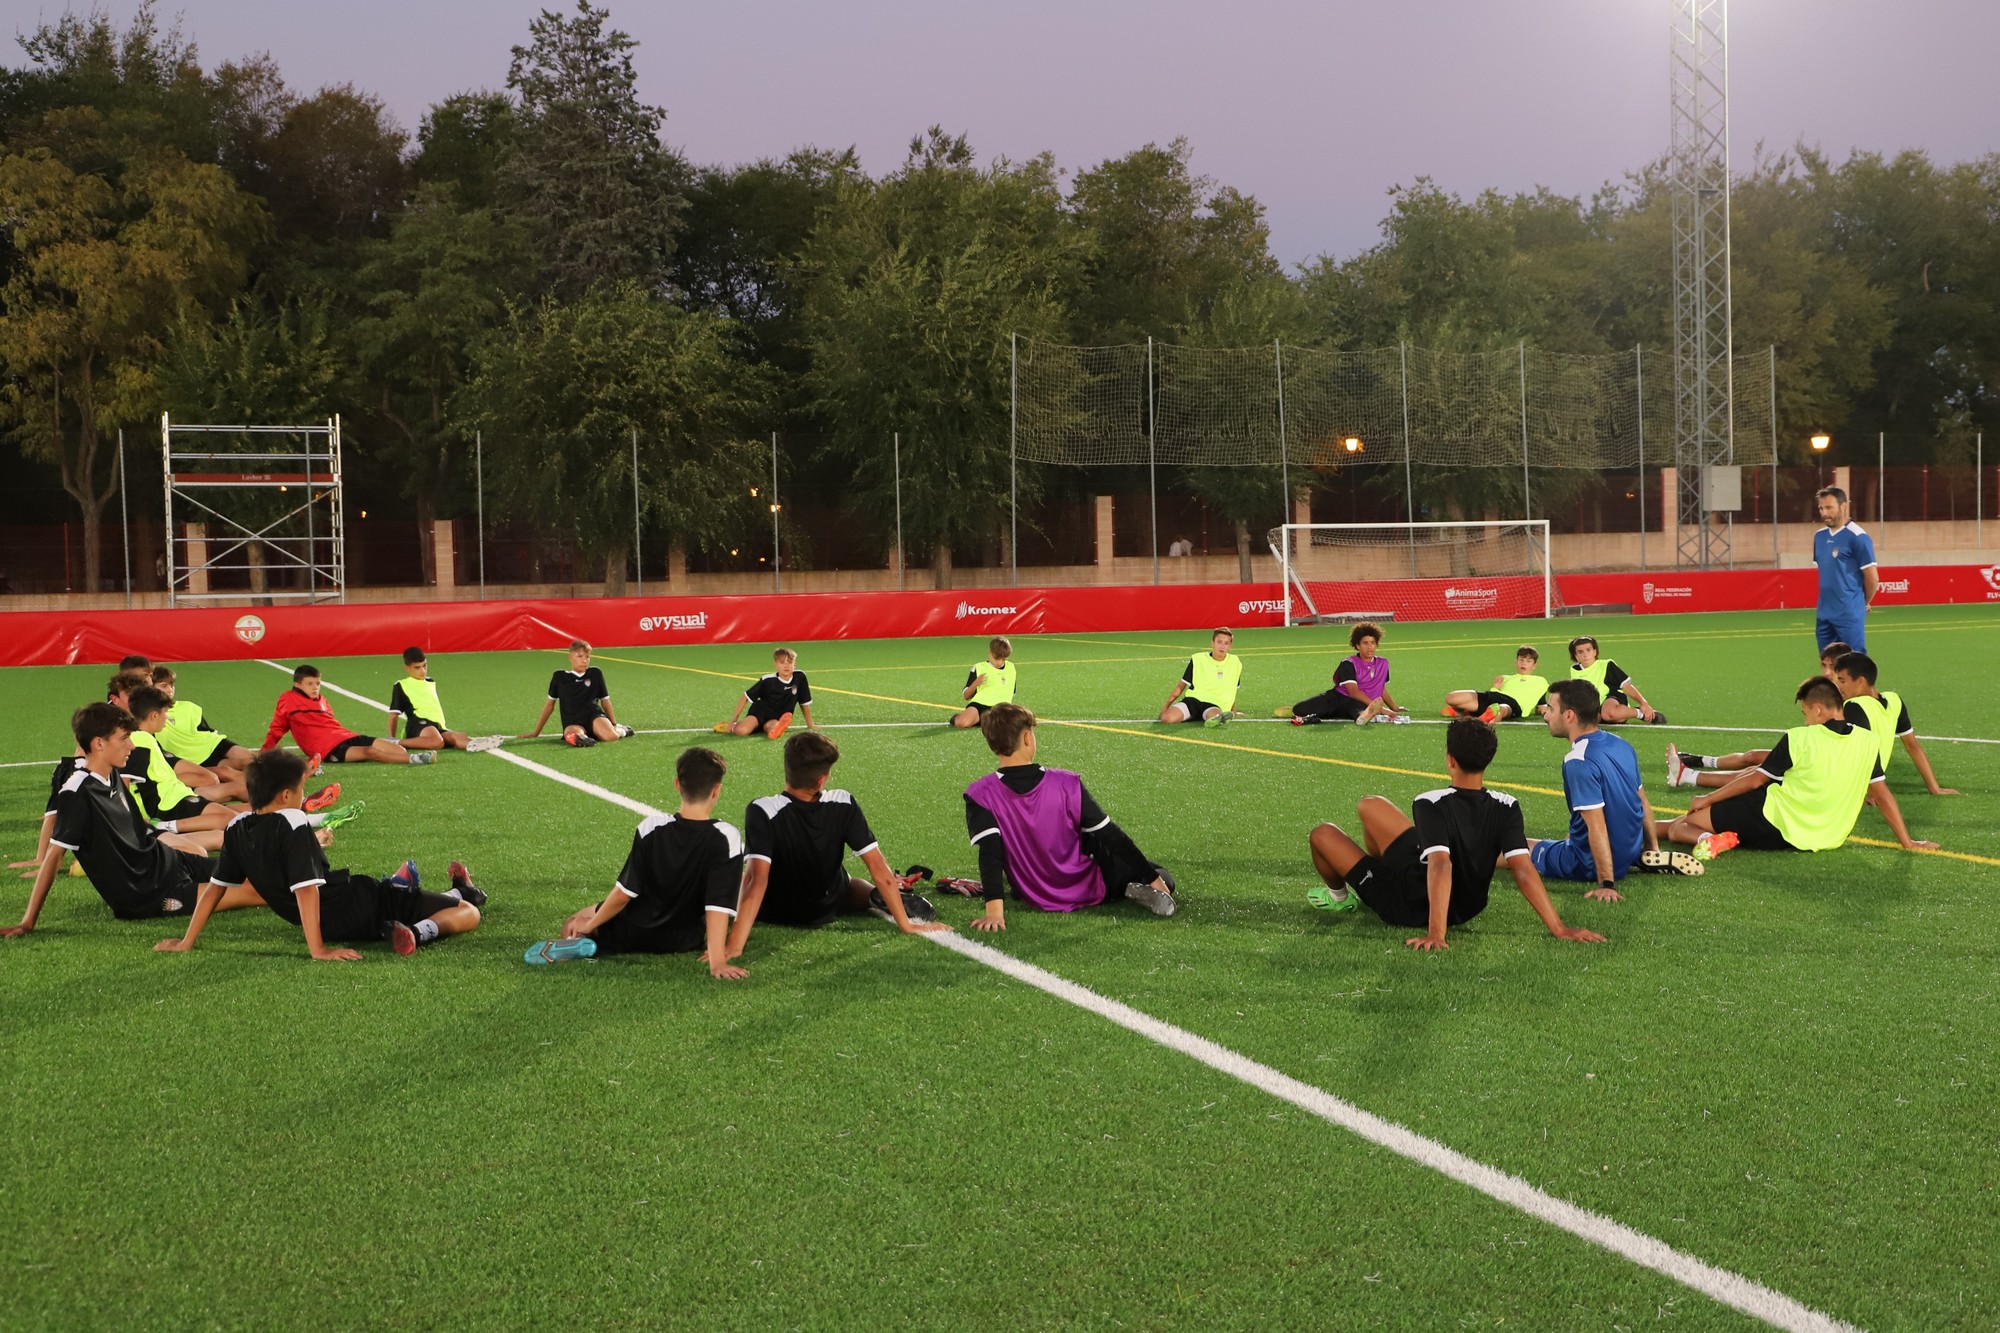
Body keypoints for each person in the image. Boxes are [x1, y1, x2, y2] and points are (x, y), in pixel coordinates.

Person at [1304, 718, 1607, 951]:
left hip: (1408, 903)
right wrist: (1559, 928)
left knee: (1322, 834)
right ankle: (1378, 872)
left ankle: (1340, 898)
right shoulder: (1507, 805)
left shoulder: (1429, 801)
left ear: (1450, 760)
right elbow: (1523, 869)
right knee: (1371, 805)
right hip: (1465, 904)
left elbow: (1440, 864)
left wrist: (1436, 933)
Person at [156, 749, 484, 961]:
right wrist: (318, 951)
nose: (303, 798)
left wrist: (187, 941)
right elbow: (307, 889)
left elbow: (215, 889)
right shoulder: (293, 820)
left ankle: (453, 890)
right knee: (468, 914)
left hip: (330, 921)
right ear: (286, 794)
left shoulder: (236, 827)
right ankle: (418, 931)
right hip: (359, 904)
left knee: (428, 898)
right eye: (301, 790)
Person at [3, 704, 264, 938]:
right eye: (124, 738)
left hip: (170, 862)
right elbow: (55, 855)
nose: (131, 746)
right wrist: (27, 922)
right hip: (150, 894)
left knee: (256, 868)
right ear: (99, 744)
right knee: (255, 891)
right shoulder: (77, 792)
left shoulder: (113, 775)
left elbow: (138, 829)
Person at [721, 732, 949, 959]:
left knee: (737, 876)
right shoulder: (843, 802)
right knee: (847, 880)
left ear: (788, 768)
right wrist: (906, 925)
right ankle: (872, 895)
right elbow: (878, 867)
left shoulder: (762, 810)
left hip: (776, 911)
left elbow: (756, 880)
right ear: (821, 780)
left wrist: (735, 946)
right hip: (829, 905)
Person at [524, 747, 747, 976]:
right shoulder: (726, 836)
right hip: (683, 939)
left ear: (677, 785)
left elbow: (624, 894)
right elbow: (717, 905)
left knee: (574, 921)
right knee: (731, 886)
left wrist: (589, 924)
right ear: (716, 790)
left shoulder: (652, 827)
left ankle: (578, 940)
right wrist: (718, 962)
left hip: (632, 932)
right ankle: (584, 937)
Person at [1657, 676, 1936, 857]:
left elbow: (1755, 780)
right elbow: (1882, 794)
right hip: (1827, 836)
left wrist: (1706, 798)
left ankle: (1707, 838)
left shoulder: (1799, 737)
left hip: (1774, 820)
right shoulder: (1867, 740)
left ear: (1817, 709)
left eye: (1805, 713)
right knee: (1678, 824)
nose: (1805, 720)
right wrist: (1908, 841)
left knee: (1681, 825)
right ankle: (1682, 829)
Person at [963, 703, 1177, 928]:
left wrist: (995, 912)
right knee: (1161, 875)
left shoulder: (980, 794)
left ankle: (1130, 885)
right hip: (1089, 885)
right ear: (1027, 738)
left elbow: (990, 854)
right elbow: (1111, 835)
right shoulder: (1066, 783)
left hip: (1033, 892)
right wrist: (1156, 880)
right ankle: (1136, 885)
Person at [1523, 680, 1691, 899]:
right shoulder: (1621, 744)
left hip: (1588, 863)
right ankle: (1643, 856)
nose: (1545, 715)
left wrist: (1607, 883)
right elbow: (1642, 801)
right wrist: (1652, 849)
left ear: (1569, 715)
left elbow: (1597, 825)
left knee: (1517, 848)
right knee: (1572, 832)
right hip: (1631, 850)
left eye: (1551, 709)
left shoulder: (1577, 760)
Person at [123, 686, 247, 846]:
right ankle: (163, 829)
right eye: (165, 712)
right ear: (153, 716)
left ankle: (167, 838)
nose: (167, 717)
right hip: (167, 805)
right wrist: (133, 819)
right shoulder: (139, 741)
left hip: (175, 797)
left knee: (228, 824)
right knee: (230, 820)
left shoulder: (144, 738)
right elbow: (124, 782)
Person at [1831, 651, 1958, 796]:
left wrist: (1871, 791)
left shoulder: (1854, 706)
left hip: (1847, 785)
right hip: (1868, 783)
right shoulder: (1894, 701)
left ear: (1860, 681)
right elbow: (1912, 745)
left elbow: (1861, 753)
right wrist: (1934, 787)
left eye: (1842, 681)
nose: (1838, 686)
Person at [264, 664, 433, 766]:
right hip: (327, 749)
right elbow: (277, 728)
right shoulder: (288, 699)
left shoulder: (322, 700)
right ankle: (415, 759)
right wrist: (265, 752)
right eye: (310, 684)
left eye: (318, 683)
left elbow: (332, 723)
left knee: (397, 750)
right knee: (370, 752)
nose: (315, 687)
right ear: (297, 684)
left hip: (345, 736)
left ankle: (406, 754)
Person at [1286, 622, 1406, 725]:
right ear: (1357, 645)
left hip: (1359, 702)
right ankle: (1363, 713)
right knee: (1299, 709)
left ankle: (1364, 715)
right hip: (1338, 698)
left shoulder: (1383, 663)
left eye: (1372, 643)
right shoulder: (1349, 663)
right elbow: (1353, 692)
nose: (1370, 647)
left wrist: (1394, 707)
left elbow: (1381, 688)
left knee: (1357, 709)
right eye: (1365, 643)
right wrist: (1381, 709)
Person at [522, 640, 634, 747]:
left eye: (587, 657)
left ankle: (622, 730)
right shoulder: (559, 677)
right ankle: (582, 738)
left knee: (611, 736)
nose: (584, 660)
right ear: (570, 657)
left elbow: (605, 701)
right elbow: (549, 706)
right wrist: (536, 732)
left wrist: (614, 725)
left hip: (593, 716)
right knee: (573, 735)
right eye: (579, 656)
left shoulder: (595, 673)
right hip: (572, 720)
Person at [152, 666, 254, 774]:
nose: (170, 690)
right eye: (164, 686)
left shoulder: (189, 707)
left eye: (172, 685)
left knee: (253, 761)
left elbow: (205, 729)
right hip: (193, 757)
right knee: (232, 770)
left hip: (213, 743)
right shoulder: (150, 714)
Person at [1813, 486, 1878, 653]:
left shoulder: (1858, 537)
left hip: (1848, 614)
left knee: (1853, 661)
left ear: (1843, 506)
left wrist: (1862, 603)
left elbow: (1872, 579)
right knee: (1828, 662)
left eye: (1829, 507)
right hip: (1824, 614)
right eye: (1821, 508)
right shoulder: (1819, 536)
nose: (1824, 513)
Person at [387, 647, 473, 752]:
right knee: (437, 741)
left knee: (457, 736)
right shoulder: (401, 685)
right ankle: (396, 742)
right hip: (417, 723)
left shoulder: (429, 681)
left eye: (424, 665)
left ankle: (476, 744)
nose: (423, 671)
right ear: (407, 668)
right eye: (417, 668)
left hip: (436, 725)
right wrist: (391, 737)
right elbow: (393, 716)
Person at [1566, 636, 1666, 725]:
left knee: (1609, 713)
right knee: (1587, 721)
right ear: (1576, 656)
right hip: (1595, 703)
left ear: (1595, 652)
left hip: (1612, 697)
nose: (1585, 654)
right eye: (1580, 652)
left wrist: (1644, 703)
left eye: (1588, 650)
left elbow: (1626, 686)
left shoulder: (1606, 665)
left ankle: (1639, 713)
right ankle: (1616, 715)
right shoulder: (1575, 670)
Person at [718, 647, 814, 739]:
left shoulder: (800, 677)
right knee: (741, 731)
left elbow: (803, 702)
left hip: (777, 717)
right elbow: (745, 696)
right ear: (776, 665)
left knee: (773, 728)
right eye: (782, 662)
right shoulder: (768, 680)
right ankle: (731, 726)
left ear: (794, 664)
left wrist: (810, 724)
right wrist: (733, 720)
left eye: (790, 662)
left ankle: (775, 730)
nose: (786, 666)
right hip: (759, 713)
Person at [1443, 645, 1548, 723]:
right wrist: (1495, 687)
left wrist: (1542, 710)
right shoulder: (1504, 678)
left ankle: (1485, 718)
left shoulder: (1541, 681)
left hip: (1514, 704)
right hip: (1494, 696)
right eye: (1521, 660)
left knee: (1502, 708)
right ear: (1516, 662)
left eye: (1528, 661)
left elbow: (1542, 705)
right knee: (1451, 697)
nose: (1524, 663)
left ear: (1534, 665)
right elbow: (1494, 693)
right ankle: (1462, 712)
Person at [1161, 628, 1241, 727]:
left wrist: (1234, 711)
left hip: (1214, 704)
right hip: (1192, 701)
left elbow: (1231, 689)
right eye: (1219, 642)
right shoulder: (1198, 659)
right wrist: (1166, 706)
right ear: (1212, 643)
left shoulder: (1235, 662)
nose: (1222, 646)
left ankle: (1215, 718)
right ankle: (1193, 715)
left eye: (1226, 643)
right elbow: (1182, 684)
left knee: (1215, 716)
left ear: (1230, 646)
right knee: (1166, 718)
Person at [951, 637, 1016, 730]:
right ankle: (959, 718)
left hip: (1002, 708)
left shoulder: (1011, 667)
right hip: (980, 705)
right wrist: (976, 683)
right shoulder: (979, 667)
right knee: (962, 723)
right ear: (990, 653)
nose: (999, 662)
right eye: (996, 659)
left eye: (1003, 659)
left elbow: (1012, 692)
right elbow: (966, 696)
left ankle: (982, 720)